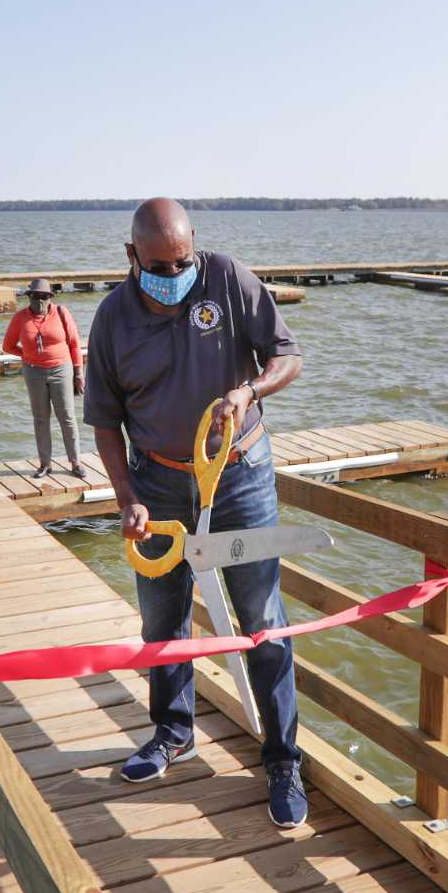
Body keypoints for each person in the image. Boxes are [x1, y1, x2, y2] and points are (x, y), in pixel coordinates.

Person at [82, 198, 308, 827]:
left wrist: (249, 389)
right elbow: (104, 422)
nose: (174, 273)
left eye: (182, 260)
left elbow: (288, 356)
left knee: (263, 616)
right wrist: (127, 497)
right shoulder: (112, 319)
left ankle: (284, 758)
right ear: (131, 257)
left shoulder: (228, 278)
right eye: (159, 264)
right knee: (162, 621)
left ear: (195, 246)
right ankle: (172, 732)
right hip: (157, 483)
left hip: (240, 475)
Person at [1, 279, 88, 478]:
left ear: (50, 298)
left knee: (67, 418)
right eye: (35, 296)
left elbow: (74, 344)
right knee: (40, 419)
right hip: (34, 372)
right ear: (29, 297)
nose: (39, 300)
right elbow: (7, 345)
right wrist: (28, 355)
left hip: (61, 370)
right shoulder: (20, 318)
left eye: (44, 296)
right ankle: (44, 464)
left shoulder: (61, 313)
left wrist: (79, 373)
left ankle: (75, 462)